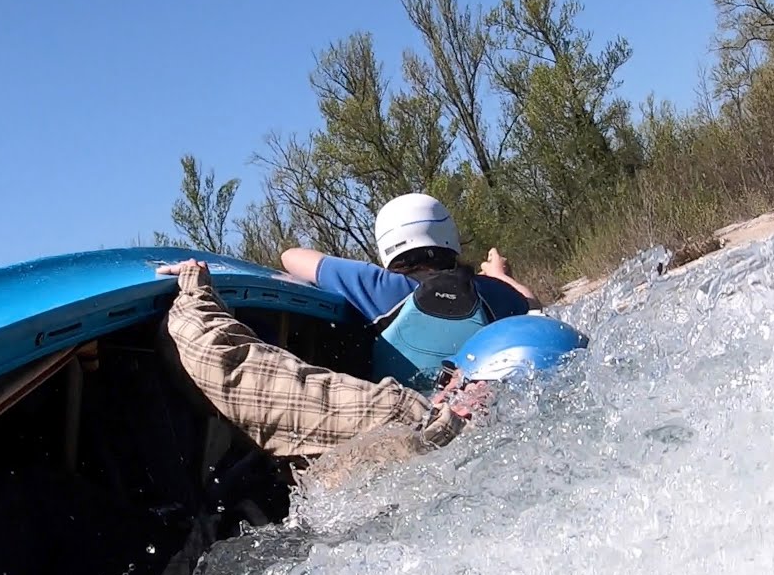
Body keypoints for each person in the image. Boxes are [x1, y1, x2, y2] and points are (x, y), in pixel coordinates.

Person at [154, 258, 496, 491]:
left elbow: (227, 368)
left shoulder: (401, 417)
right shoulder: (496, 447)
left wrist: (195, 293)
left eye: (458, 375)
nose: (447, 377)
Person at [278, 193, 542, 390]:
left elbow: (291, 257)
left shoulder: (377, 286)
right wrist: (500, 275)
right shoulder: (490, 291)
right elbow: (533, 309)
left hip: (418, 415)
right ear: (448, 236)